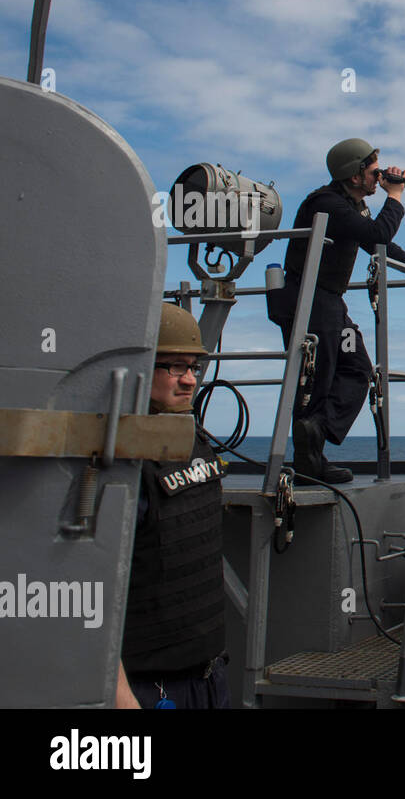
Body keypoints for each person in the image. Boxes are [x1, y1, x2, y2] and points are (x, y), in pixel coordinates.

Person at [266, 138, 405, 484]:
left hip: (330, 303)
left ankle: (316, 431)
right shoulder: (327, 204)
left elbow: (377, 243)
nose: (377, 177)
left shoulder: (353, 207)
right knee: (316, 377)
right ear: (354, 176)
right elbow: (378, 235)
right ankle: (309, 461)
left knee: (357, 368)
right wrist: (394, 196)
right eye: (372, 171)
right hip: (308, 300)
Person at [116, 303, 230, 709]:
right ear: (142, 367)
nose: (188, 380)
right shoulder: (124, 460)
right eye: (174, 367)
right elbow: (87, 585)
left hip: (207, 677)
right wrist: (119, 694)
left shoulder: (192, 438)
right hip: (149, 688)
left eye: (193, 368)